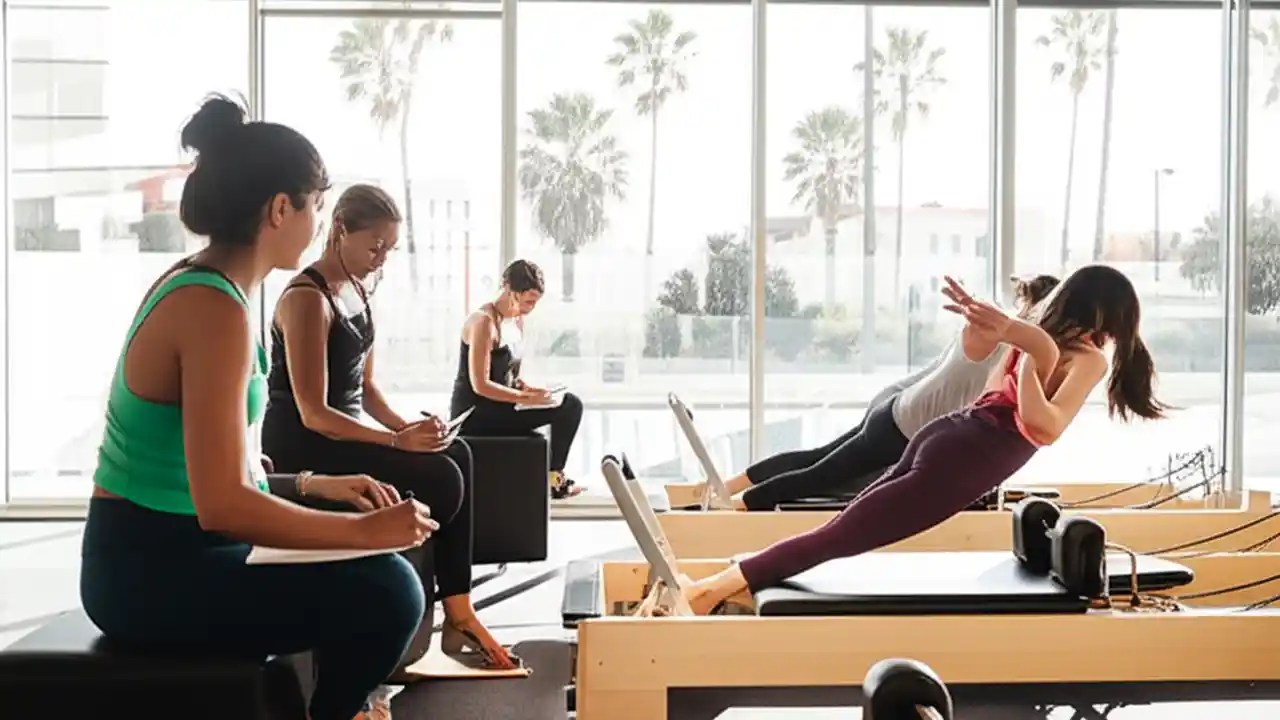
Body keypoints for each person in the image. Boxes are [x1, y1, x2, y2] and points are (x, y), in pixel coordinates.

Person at [79, 95, 435, 720]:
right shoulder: (210, 308)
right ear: (279, 209)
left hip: (186, 544)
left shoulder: (222, 293)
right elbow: (221, 503)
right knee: (390, 590)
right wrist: (362, 532)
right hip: (147, 572)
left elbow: (226, 472)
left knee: (378, 561)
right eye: (315, 205)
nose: (318, 221)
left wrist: (314, 485)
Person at [676, 265, 1167, 614]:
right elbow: (1045, 426)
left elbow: (999, 396)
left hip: (945, 435)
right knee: (841, 535)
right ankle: (706, 591)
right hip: (962, 458)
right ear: (1110, 317)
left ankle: (721, 583)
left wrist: (1030, 350)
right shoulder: (1084, 358)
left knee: (840, 525)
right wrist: (1033, 361)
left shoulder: (1031, 338)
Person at [262, 184, 517, 674]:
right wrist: (397, 442)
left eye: (390, 250)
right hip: (306, 444)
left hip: (343, 433)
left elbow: (366, 388)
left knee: (456, 453)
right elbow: (314, 412)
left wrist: (412, 429)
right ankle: (422, 613)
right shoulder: (305, 299)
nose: (381, 259)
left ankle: (459, 611)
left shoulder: (359, 290)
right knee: (444, 480)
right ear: (340, 230)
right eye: (374, 246)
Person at [723, 274, 1060, 511]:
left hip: (896, 409)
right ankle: (736, 507)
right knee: (820, 477)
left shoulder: (999, 333)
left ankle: (726, 490)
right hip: (904, 425)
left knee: (817, 461)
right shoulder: (1003, 341)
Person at [451, 259, 585, 499]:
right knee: (571, 406)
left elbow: (506, 377)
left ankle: (553, 477)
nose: (530, 308)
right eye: (527, 301)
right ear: (508, 289)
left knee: (566, 402)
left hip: (496, 407)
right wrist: (525, 399)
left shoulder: (511, 322)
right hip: (476, 414)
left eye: (535, 302)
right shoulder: (483, 322)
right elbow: (480, 385)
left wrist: (532, 391)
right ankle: (553, 481)